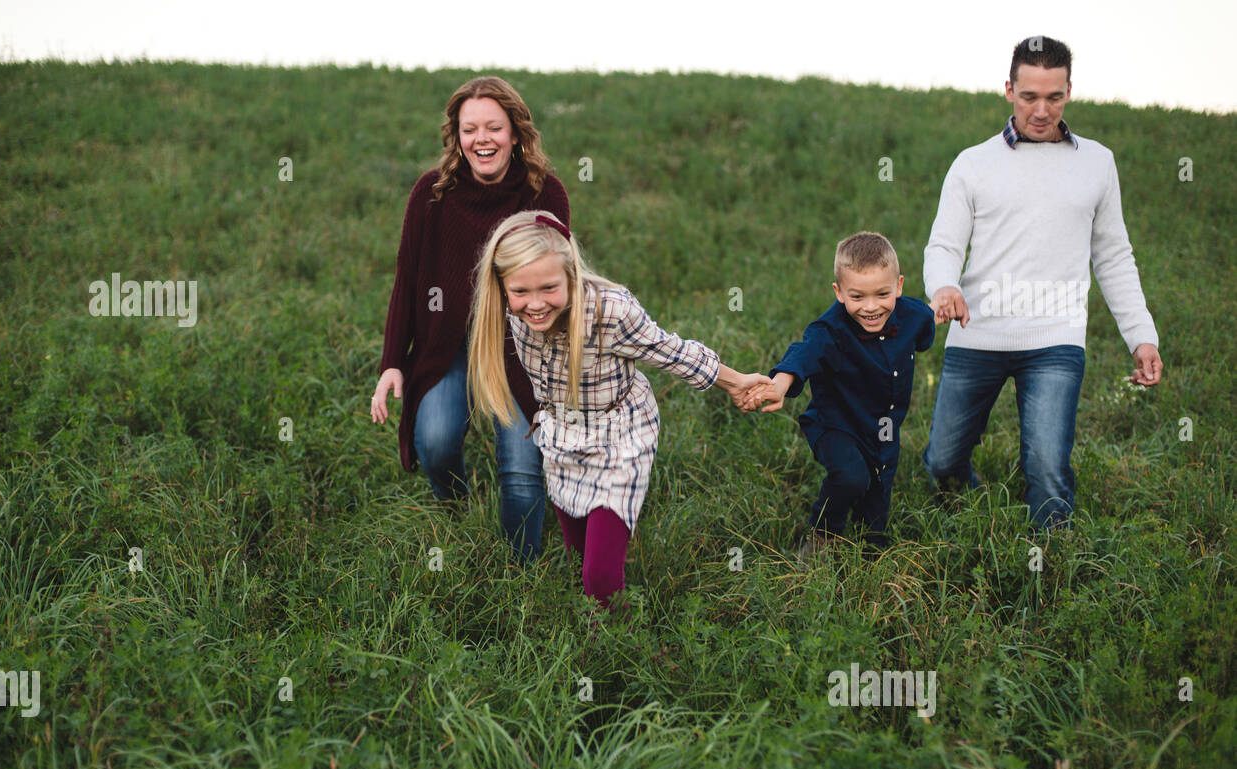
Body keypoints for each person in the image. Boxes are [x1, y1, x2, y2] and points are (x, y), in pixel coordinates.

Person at [467, 211, 772, 609]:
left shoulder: (610, 312)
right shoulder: (511, 313)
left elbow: (671, 351)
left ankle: (615, 643)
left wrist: (735, 382)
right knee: (579, 553)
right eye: (521, 291)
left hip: (619, 435)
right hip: (562, 437)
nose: (536, 304)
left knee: (598, 576)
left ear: (572, 275)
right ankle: (598, 606)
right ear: (503, 286)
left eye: (549, 287)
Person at [922, 36, 1163, 530]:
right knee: (943, 464)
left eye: (1053, 97)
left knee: (1048, 473)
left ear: (1069, 92)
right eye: (1029, 96)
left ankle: (1048, 573)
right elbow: (943, 245)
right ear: (1009, 89)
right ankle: (971, 530)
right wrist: (944, 286)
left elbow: (1114, 256)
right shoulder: (972, 163)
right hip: (978, 332)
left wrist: (1141, 335)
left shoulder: (1097, 162)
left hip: (1056, 338)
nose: (1041, 109)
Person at [371, 76, 570, 562]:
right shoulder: (431, 194)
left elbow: (561, 283)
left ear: (516, 133)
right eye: (470, 129)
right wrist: (393, 362)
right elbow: (408, 280)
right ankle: (457, 513)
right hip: (450, 344)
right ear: (456, 137)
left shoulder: (546, 194)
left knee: (522, 467)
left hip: (521, 349)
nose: (482, 138)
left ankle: (520, 577)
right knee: (435, 442)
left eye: (494, 128)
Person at [746, 232, 946, 555]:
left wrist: (940, 307)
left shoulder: (914, 316)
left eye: (882, 294)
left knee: (878, 496)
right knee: (852, 477)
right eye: (857, 297)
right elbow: (804, 352)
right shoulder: (830, 331)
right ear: (839, 293)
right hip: (836, 425)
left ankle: (871, 553)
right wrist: (780, 383)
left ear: (899, 286)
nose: (870, 307)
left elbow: (924, 332)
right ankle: (822, 535)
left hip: (884, 429)